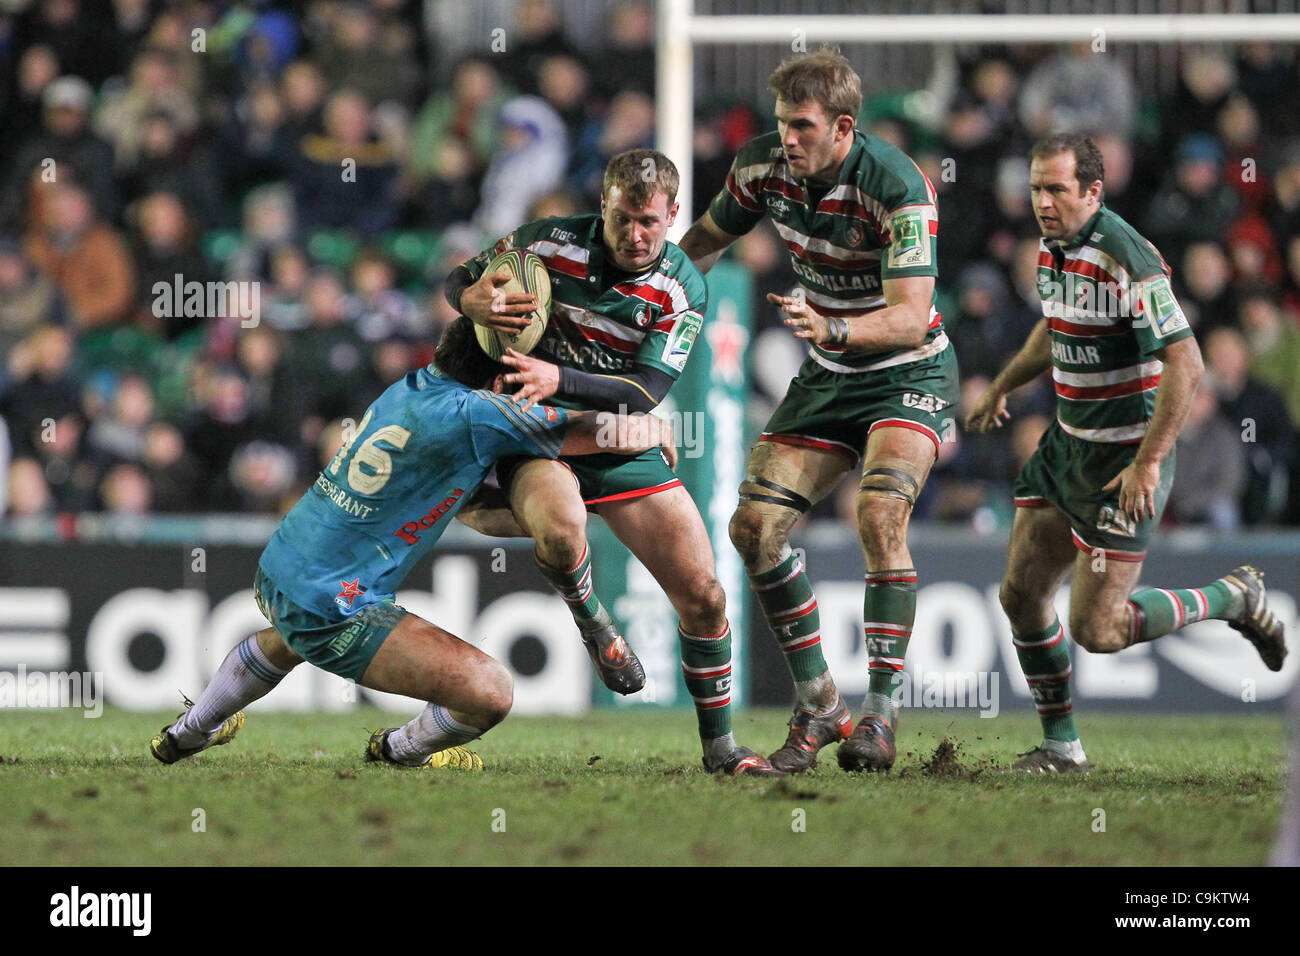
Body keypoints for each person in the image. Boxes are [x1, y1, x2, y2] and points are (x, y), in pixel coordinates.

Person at [149, 316, 675, 770]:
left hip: (280, 565)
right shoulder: (477, 414)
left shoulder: (408, 387)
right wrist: (654, 426)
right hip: (335, 601)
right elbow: (596, 431)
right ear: (496, 376)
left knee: (292, 633)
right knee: (491, 693)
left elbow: (469, 509)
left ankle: (190, 730)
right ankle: (400, 750)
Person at [446, 148, 781, 777]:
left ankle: (720, 750)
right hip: (537, 435)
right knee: (563, 525)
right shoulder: (545, 245)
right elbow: (457, 279)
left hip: (616, 436)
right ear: (602, 205)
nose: (634, 235)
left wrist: (558, 374)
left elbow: (646, 391)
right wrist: (473, 304)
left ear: (673, 214)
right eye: (622, 218)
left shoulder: (682, 285)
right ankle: (595, 623)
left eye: (649, 222)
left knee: (706, 598)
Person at [966, 133, 1287, 773]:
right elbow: (1053, 327)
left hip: (1123, 460)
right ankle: (1062, 748)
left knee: (1099, 630)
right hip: (1066, 446)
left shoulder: (1126, 255)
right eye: (1035, 189)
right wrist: (1003, 383)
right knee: (1020, 594)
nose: (1043, 202)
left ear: (1093, 190)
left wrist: (1148, 461)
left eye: (1056, 189)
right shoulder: (1053, 250)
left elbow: (1187, 362)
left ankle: (1231, 598)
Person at [677, 48, 959, 774]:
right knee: (753, 528)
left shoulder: (897, 185)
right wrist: (653, 291)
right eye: (781, 123)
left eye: (802, 126)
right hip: (830, 371)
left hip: (906, 369)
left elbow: (908, 315)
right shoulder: (762, 165)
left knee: (878, 514)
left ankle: (883, 716)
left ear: (843, 127)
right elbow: (706, 240)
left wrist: (831, 326)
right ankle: (823, 702)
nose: (788, 139)